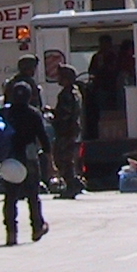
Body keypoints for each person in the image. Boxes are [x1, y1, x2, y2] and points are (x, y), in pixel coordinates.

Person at [0, 77, 50, 245]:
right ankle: (36, 227)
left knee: (10, 197)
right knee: (33, 196)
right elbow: (43, 137)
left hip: (10, 158)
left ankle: (11, 233)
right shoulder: (33, 113)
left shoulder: (5, 113)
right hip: (29, 158)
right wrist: (50, 158)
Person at [50, 66, 85, 199]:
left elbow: (65, 115)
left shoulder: (67, 94)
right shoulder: (75, 92)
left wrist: (53, 118)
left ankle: (72, 185)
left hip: (66, 131)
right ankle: (73, 183)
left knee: (62, 159)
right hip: (71, 130)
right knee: (67, 158)